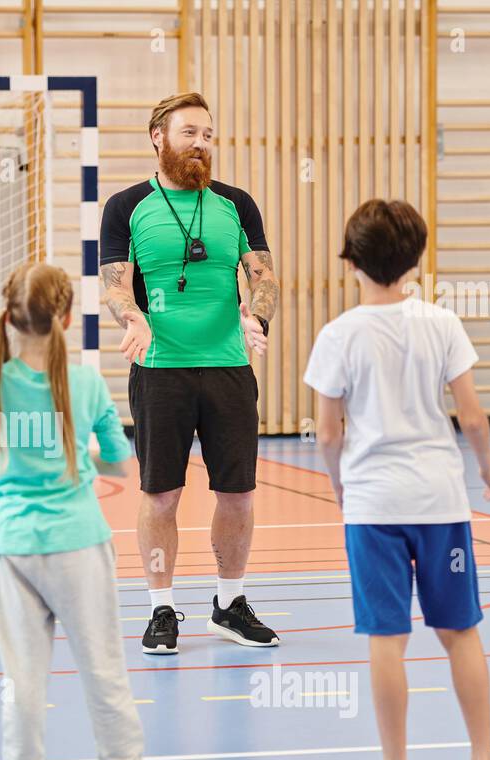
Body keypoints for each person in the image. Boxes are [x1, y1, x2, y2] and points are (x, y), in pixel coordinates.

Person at [304, 198, 490, 760]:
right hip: (440, 502)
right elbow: (471, 415)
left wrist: (340, 485)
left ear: (351, 262)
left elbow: (329, 433)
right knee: (460, 631)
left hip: (375, 506)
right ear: (415, 258)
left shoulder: (339, 334)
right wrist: (487, 467)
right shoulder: (442, 323)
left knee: (387, 639)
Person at [0, 262, 156, 760]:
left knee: (22, 679)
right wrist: (76, 455)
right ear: (68, 318)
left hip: (14, 544)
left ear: (10, 316)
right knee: (104, 671)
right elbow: (121, 463)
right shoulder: (86, 383)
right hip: (79, 543)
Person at [99, 91, 281, 655]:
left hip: (228, 370)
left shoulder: (237, 204)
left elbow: (264, 277)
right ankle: (160, 607)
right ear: (159, 137)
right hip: (160, 373)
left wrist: (261, 321)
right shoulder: (126, 206)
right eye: (189, 133)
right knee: (161, 495)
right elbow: (114, 281)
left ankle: (230, 603)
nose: (201, 144)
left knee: (239, 495)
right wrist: (134, 318)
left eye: (207, 134)